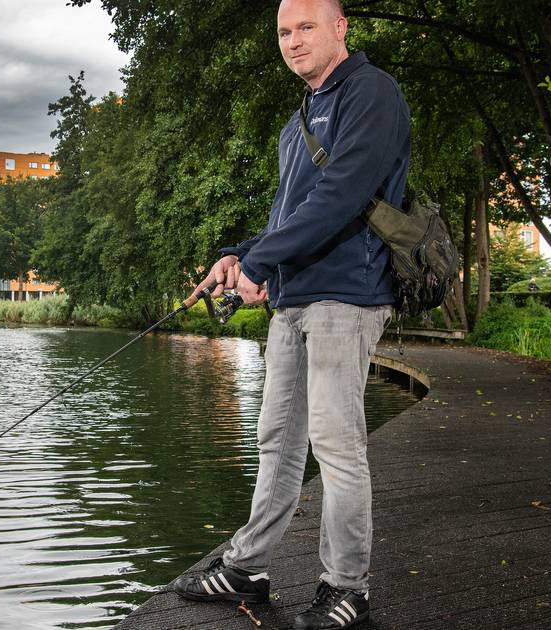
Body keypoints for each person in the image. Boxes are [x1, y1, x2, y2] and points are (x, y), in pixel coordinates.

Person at [169, 1, 409, 628]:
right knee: (277, 438)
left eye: (307, 27)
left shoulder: (372, 93)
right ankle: (247, 570)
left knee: (335, 442)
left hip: (347, 295)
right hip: (294, 300)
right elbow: (289, 217)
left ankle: (347, 588)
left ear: (340, 29)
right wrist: (237, 257)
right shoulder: (295, 122)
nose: (294, 41)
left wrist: (260, 264)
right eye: (284, 31)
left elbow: (343, 195)